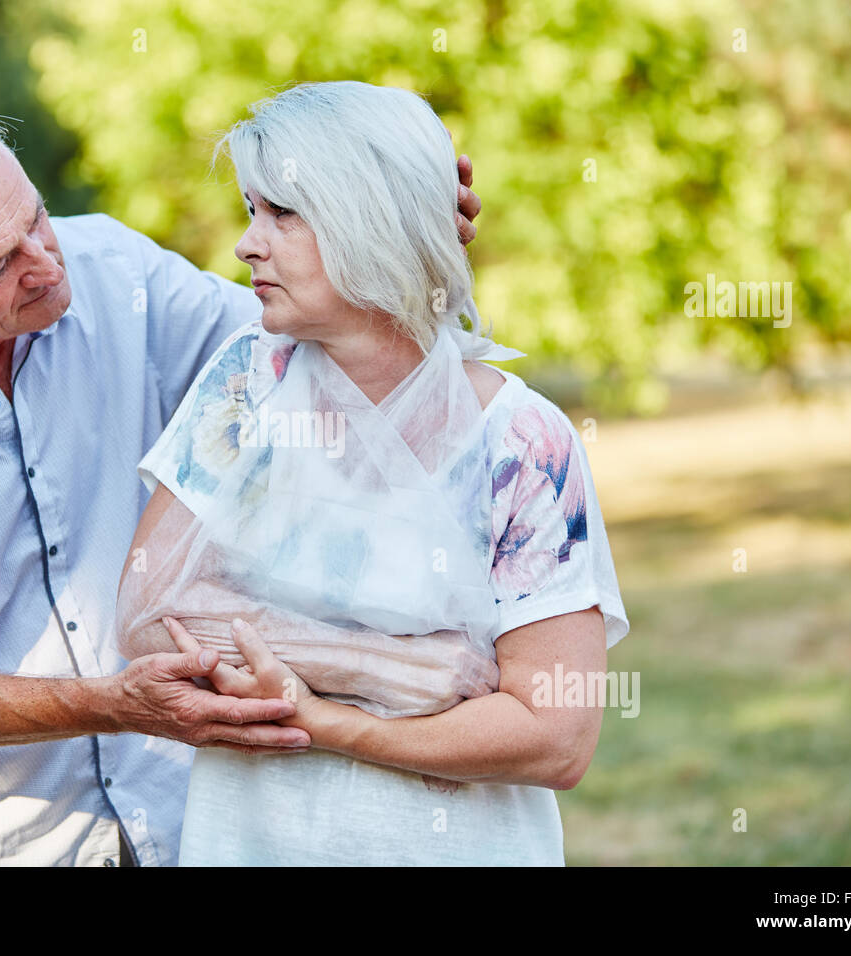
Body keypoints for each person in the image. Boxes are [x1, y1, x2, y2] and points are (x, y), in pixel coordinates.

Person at [0, 75, 484, 865]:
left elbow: (314, 352)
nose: (46, 265)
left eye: (34, 219)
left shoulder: (117, 270)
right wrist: (117, 705)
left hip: (175, 818)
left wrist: (393, 244)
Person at [117, 81, 629, 865]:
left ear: (373, 221)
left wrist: (326, 720)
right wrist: (402, 664)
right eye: (253, 212)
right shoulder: (246, 383)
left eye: (281, 214)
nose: (247, 245)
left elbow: (554, 736)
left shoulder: (522, 441)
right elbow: (149, 615)